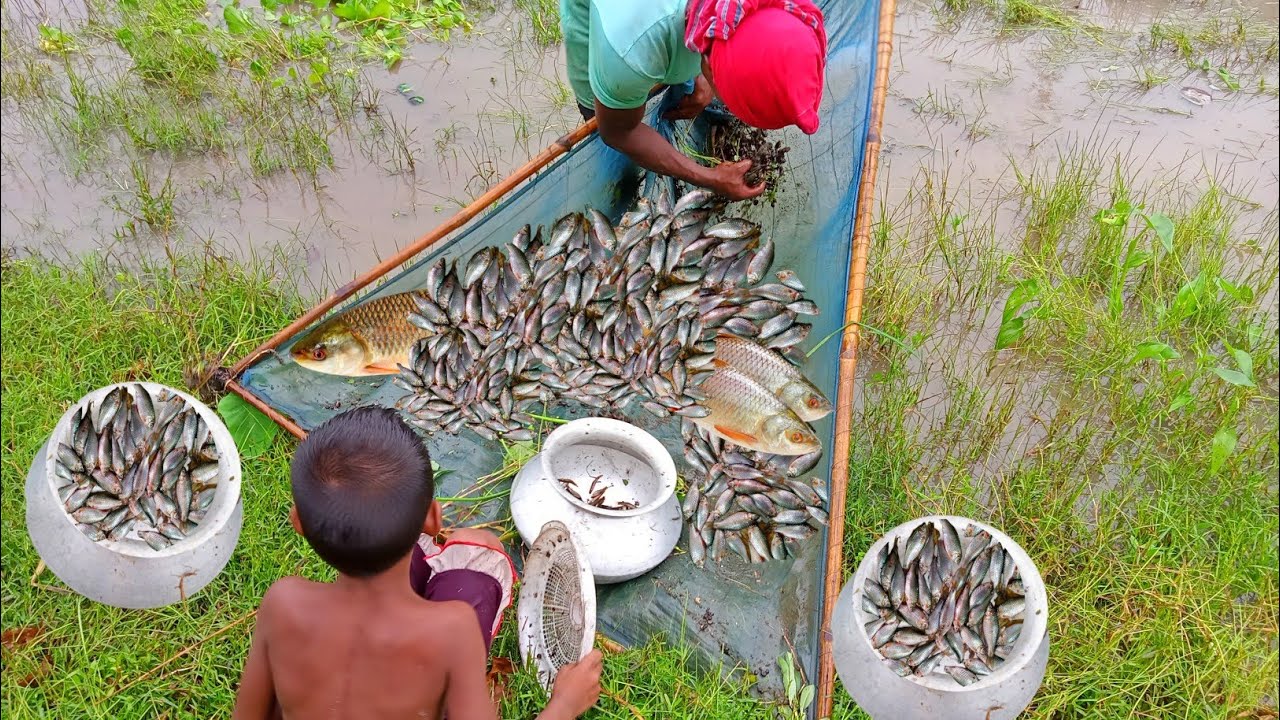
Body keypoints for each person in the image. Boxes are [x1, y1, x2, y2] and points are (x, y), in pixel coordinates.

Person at [232, 406, 603, 720]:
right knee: (480, 550)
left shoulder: (282, 604)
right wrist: (563, 705)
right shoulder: (454, 631)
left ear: (298, 523)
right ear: (433, 519)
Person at [560, 0, 827, 201]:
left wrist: (699, 72)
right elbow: (618, 131)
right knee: (610, 129)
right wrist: (709, 178)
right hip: (613, 26)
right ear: (711, 66)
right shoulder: (628, 52)